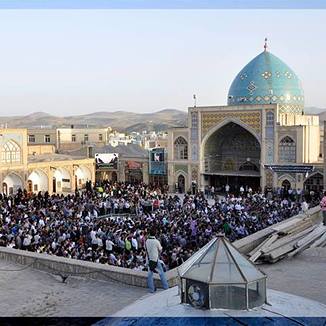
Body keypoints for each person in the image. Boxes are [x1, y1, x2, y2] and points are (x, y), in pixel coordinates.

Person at [145, 228, 169, 293]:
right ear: (155, 234)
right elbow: (160, 250)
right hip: (155, 259)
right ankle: (166, 287)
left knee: (150, 275)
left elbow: (146, 250)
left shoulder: (147, 241)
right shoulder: (156, 241)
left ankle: (151, 289)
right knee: (161, 273)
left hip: (150, 260)